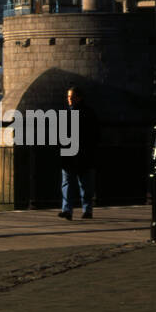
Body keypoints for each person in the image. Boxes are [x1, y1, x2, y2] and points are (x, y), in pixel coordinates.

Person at [59, 85, 99, 220]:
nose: (69, 99)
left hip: (81, 153)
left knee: (81, 184)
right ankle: (70, 210)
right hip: (76, 153)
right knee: (73, 183)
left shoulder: (83, 113)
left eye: (72, 97)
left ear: (79, 97)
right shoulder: (87, 113)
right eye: (68, 97)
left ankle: (80, 210)